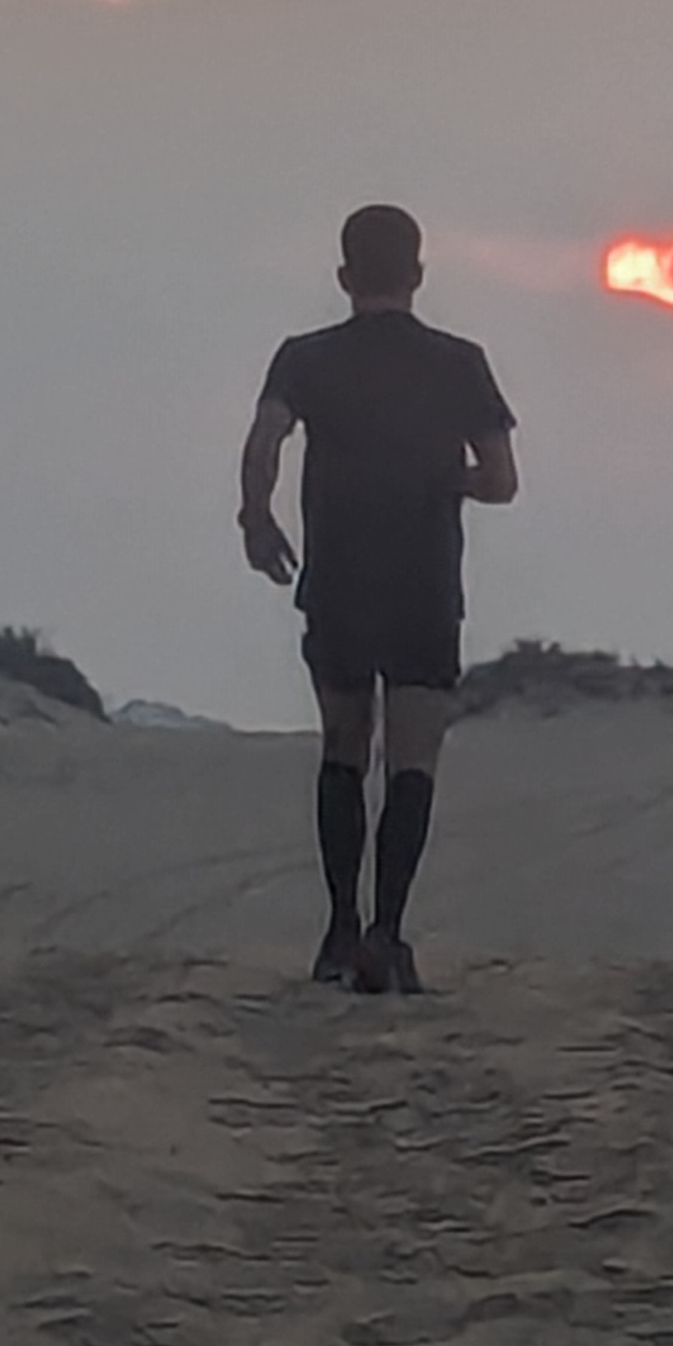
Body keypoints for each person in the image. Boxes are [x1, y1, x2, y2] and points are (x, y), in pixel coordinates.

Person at [239, 204, 518, 996]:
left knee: (342, 746)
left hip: (340, 573)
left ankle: (338, 929)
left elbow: (263, 443)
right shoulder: (460, 362)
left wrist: (255, 520)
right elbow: (500, 482)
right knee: (413, 757)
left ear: (344, 276)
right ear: (419, 275)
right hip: (426, 579)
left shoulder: (304, 358)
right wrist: (442, 481)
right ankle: (389, 934)